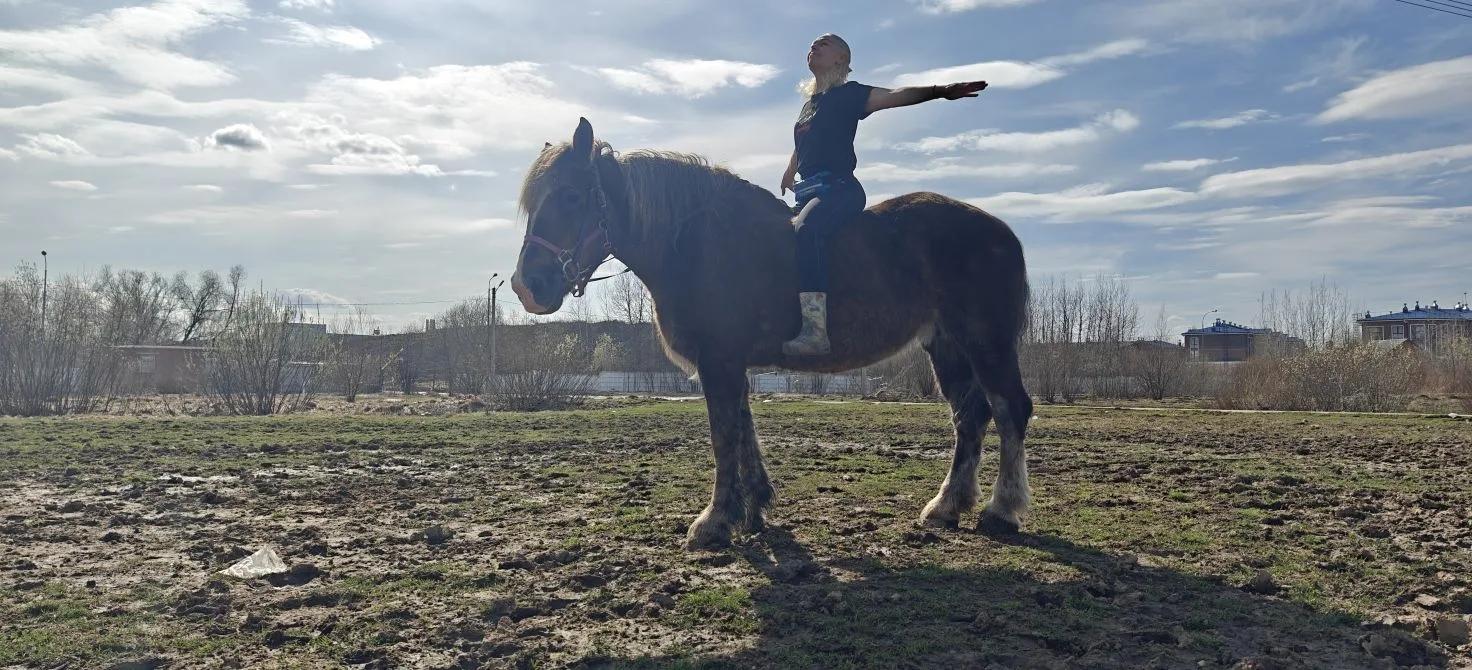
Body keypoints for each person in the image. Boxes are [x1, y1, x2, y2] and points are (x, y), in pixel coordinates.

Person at [779, 33, 988, 356]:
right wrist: (790, 170)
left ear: (841, 59)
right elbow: (805, 143)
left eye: (825, 43)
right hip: (808, 191)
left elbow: (895, 95)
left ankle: (816, 331)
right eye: (812, 44)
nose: (814, 46)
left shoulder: (850, 94)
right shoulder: (810, 105)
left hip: (839, 189)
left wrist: (940, 92)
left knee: (808, 230)